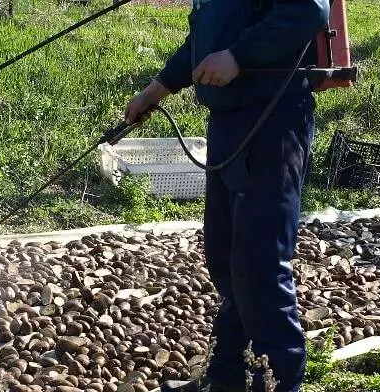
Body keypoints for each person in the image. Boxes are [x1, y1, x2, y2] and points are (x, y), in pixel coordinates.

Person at [124, 0, 330, 391]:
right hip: (228, 124)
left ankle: (278, 382)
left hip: (273, 122)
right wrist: (155, 91)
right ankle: (228, 376)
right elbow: (203, 43)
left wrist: (238, 56)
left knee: (260, 264)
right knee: (225, 255)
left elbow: (307, 10)